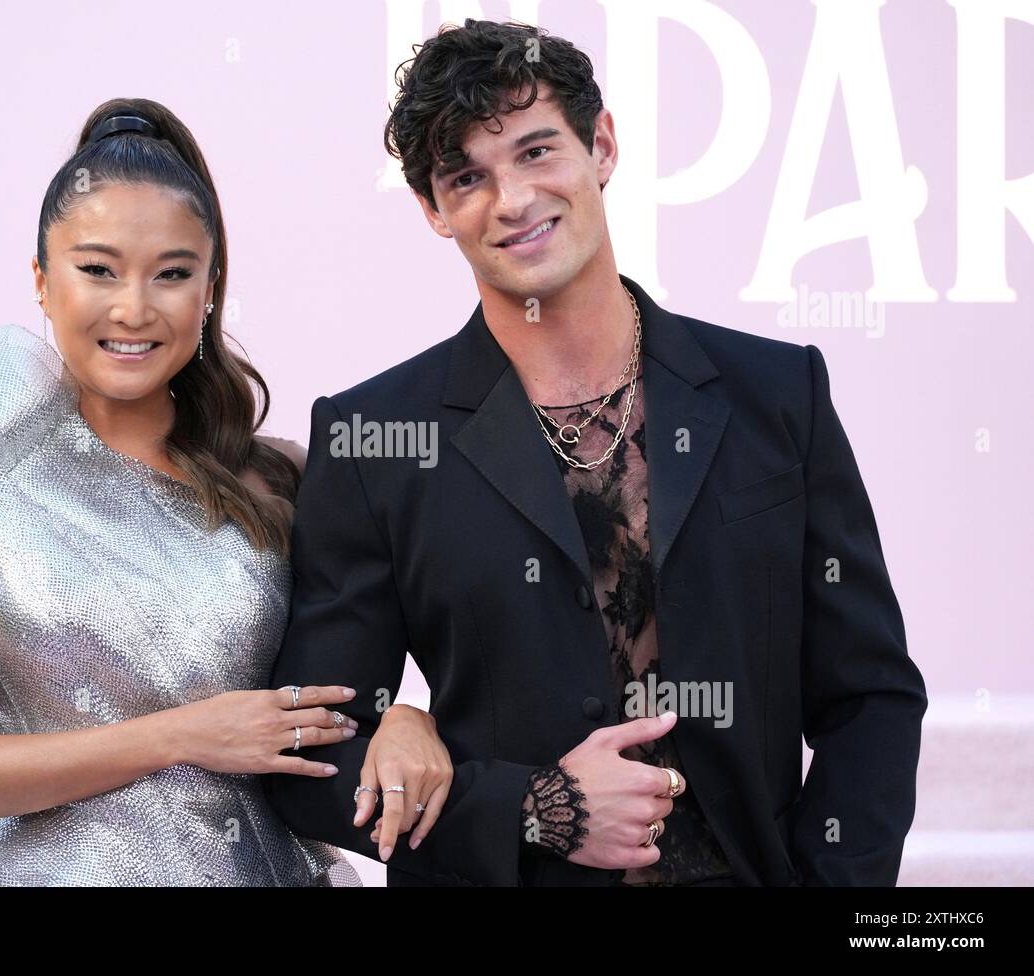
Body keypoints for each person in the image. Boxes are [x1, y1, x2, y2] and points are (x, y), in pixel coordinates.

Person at [264, 20, 928, 886]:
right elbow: (315, 765)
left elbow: (870, 696)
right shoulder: (374, 439)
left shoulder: (775, 393)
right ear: (433, 209)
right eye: (467, 177)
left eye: (538, 151)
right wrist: (537, 809)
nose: (512, 199)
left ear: (601, 145)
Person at [0, 97, 452, 886]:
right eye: (97, 270)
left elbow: (362, 700)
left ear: (210, 289)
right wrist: (182, 735)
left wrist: (412, 720)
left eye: (172, 275)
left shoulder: (281, 479)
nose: (133, 309)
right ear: (41, 280)